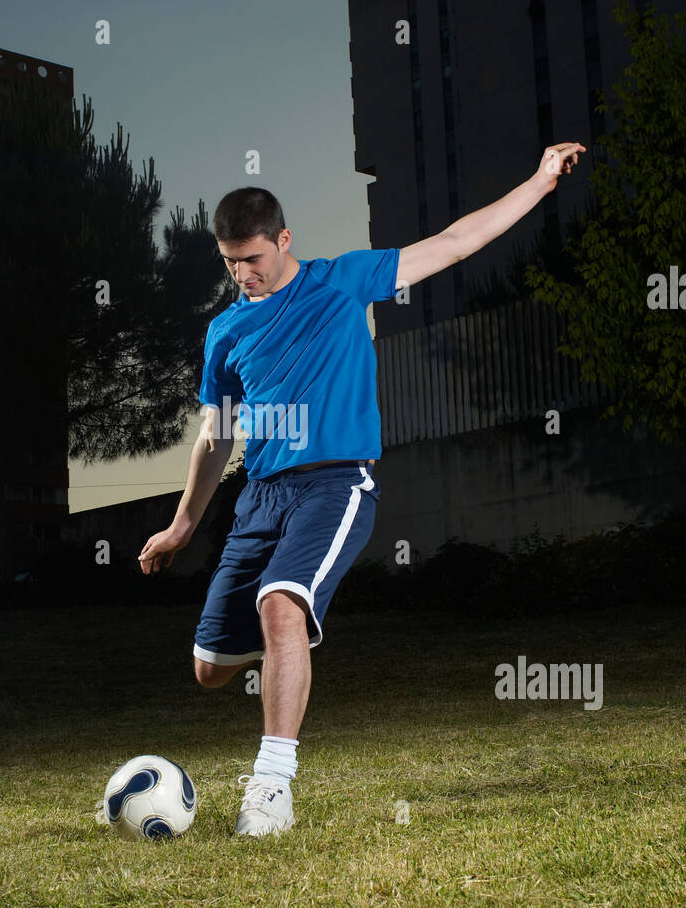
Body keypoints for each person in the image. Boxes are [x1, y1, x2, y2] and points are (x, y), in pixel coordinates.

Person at [138, 143, 585, 836]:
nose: (242, 275)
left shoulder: (343, 282)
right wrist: (182, 526)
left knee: (282, 606)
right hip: (260, 498)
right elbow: (215, 436)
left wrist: (538, 181)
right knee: (209, 669)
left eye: (253, 259)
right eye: (229, 263)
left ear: (284, 240)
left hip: (336, 483)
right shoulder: (225, 331)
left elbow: (457, 241)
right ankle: (281, 641)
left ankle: (272, 788)